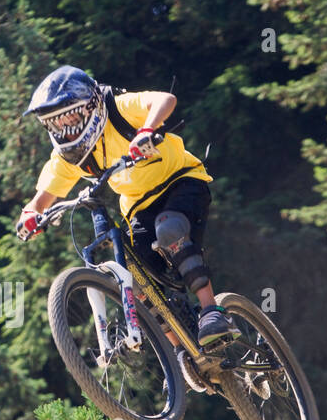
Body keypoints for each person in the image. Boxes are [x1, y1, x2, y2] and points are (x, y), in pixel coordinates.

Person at [15, 65, 235, 385]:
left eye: (68, 116)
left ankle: (212, 310)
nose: (64, 126)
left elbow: (165, 100)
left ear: (89, 106)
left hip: (181, 182)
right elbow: (45, 193)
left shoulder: (117, 108)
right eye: (56, 122)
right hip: (138, 207)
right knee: (140, 285)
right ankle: (183, 351)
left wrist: (147, 130)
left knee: (170, 229)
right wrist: (31, 214)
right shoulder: (70, 156)